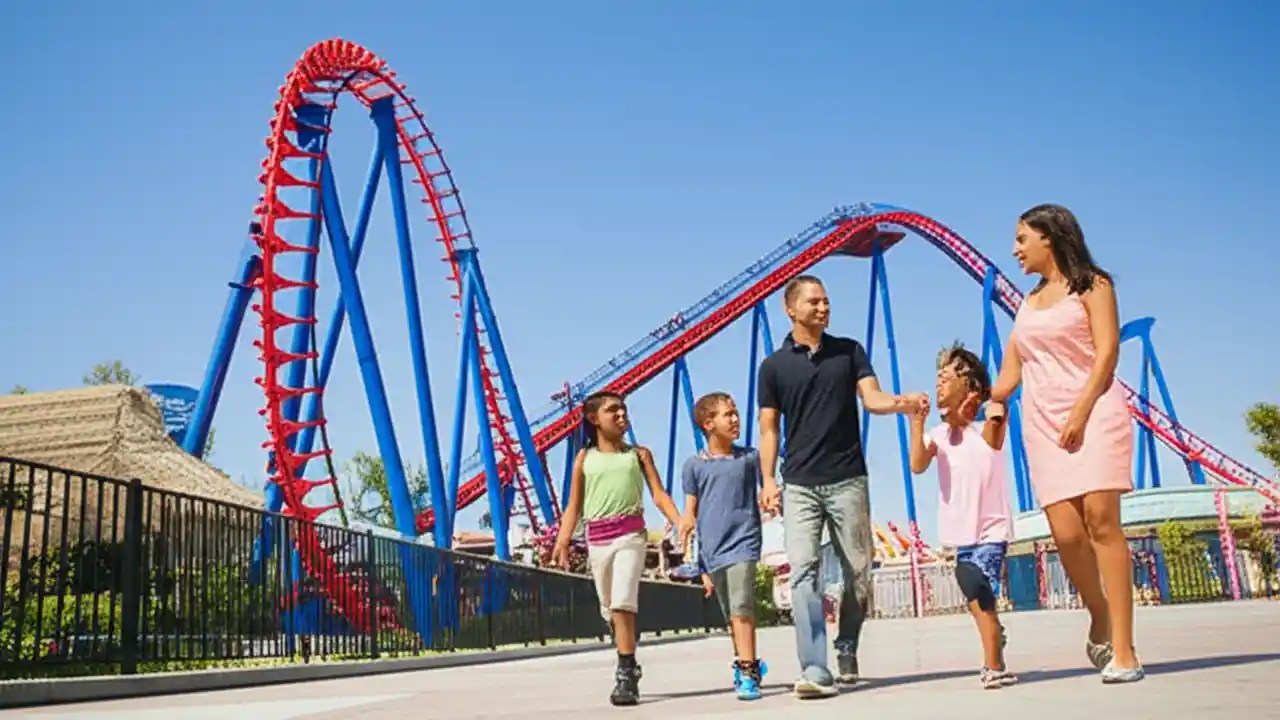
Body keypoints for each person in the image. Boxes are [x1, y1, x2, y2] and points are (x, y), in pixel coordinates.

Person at [991, 203, 1144, 683]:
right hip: (1041, 425)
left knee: (1101, 521)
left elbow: (1107, 354)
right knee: (1067, 535)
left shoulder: (1095, 285)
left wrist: (1080, 412)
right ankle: (1098, 613)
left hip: (1094, 410)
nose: (1015, 249)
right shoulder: (1025, 303)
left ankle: (1124, 649)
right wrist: (983, 400)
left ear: (1049, 238)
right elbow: (1009, 374)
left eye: (1022, 239)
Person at [756, 274, 929, 698]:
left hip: (848, 478)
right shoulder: (773, 367)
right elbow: (768, 428)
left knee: (859, 574)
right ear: (790, 309)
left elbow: (871, 399)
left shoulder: (849, 351)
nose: (823, 308)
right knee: (803, 573)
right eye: (814, 302)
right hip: (799, 483)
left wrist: (904, 403)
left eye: (826, 301)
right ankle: (815, 668)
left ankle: (847, 641)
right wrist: (767, 481)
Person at [551, 390, 692, 706]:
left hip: (630, 536)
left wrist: (679, 519)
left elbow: (658, 494)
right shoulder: (584, 459)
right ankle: (626, 640)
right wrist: (562, 540)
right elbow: (574, 505)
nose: (621, 415)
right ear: (593, 419)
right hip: (597, 541)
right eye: (612, 411)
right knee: (610, 610)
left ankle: (626, 673)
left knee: (622, 602)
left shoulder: (638, 455)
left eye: (624, 409)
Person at [908, 342, 1017, 689]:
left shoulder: (989, 422)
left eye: (946, 377)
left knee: (976, 586)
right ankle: (995, 637)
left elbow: (996, 416)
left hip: (991, 527)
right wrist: (918, 422)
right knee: (978, 600)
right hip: (960, 531)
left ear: (969, 385)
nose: (938, 383)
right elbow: (917, 464)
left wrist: (971, 408)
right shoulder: (939, 435)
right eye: (937, 377)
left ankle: (994, 666)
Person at [679, 391, 769, 701]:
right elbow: (691, 509)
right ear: (707, 424)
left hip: (744, 541)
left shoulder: (749, 457)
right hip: (712, 549)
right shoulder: (694, 465)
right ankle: (743, 659)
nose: (735, 419)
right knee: (731, 612)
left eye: (735, 413)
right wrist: (686, 530)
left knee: (742, 606)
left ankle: (748, 669)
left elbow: (767, 485)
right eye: (726, 414)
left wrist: (771, 496)